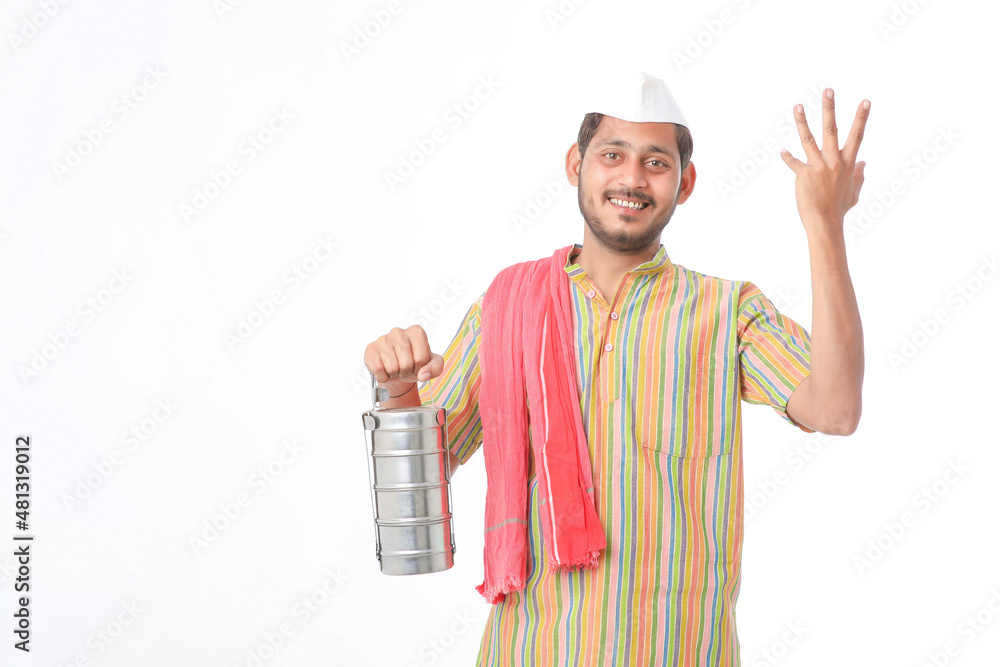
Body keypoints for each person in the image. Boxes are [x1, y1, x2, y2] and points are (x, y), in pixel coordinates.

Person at [363, 71, 867, 666]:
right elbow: (422, 484)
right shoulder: (508, 305)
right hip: (531, 652)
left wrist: (824, 223)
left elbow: (834, 409)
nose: (631, 178)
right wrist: (396, 392)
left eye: (656, 162)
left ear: (686, 184)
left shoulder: (726, 311)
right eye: (612, 155)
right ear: (576, 163)